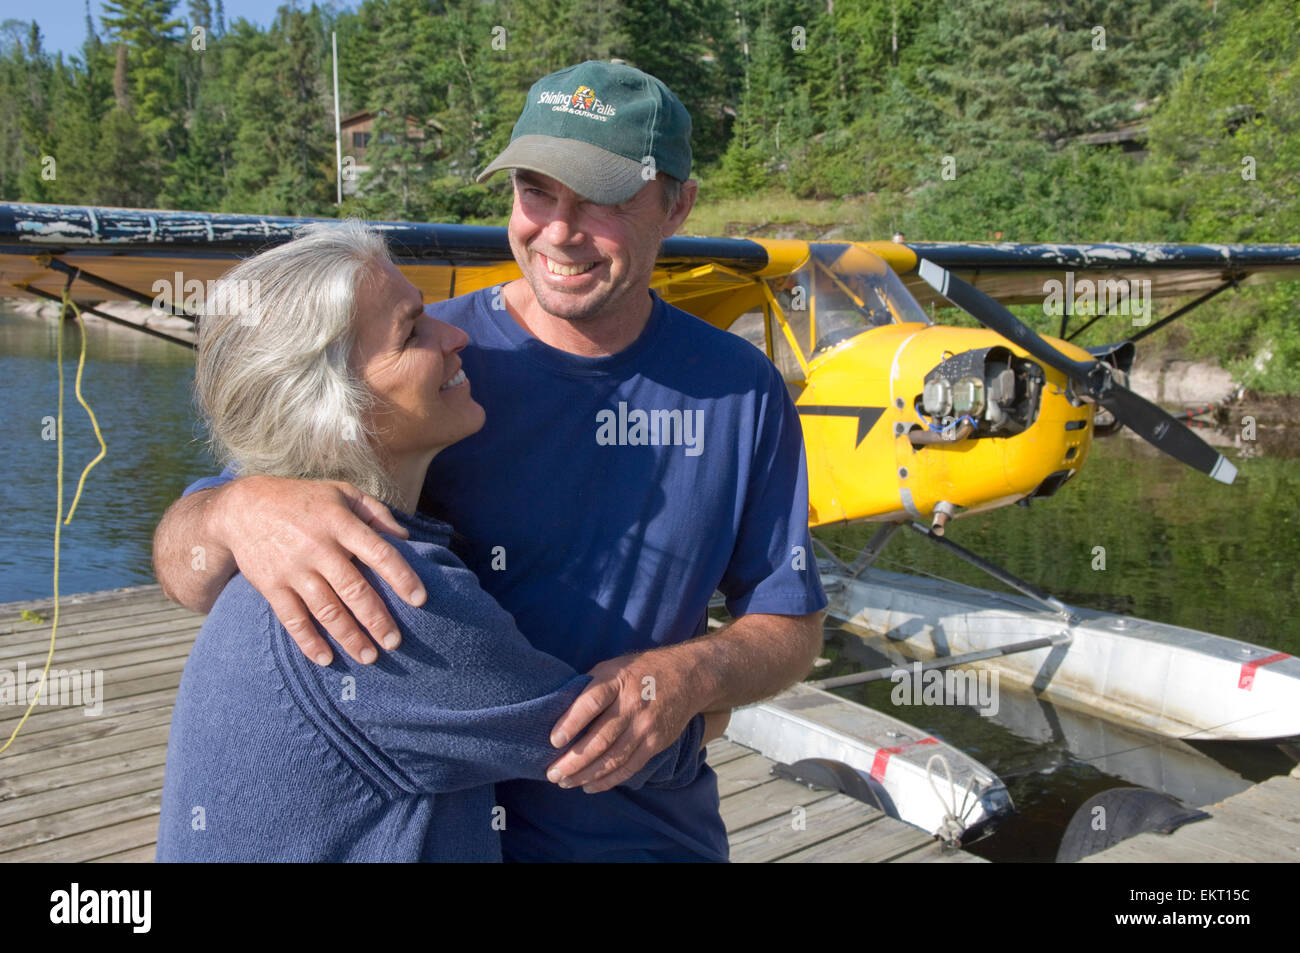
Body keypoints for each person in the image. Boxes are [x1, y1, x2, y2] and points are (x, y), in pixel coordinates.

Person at [153, 60, 827, 862]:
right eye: (535, 190)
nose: (559, 230)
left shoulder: (740, 391)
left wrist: (694, 677)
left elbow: (791, 622)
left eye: (603, 200)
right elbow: (188, 566)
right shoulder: (419, 371)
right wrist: (236, 509)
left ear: (677, 203)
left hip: (651, 838)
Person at [155, 221, 719, 862]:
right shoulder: (385, 599)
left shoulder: (273, 559)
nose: (457, 337)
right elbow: (610, 741)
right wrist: (690, 694)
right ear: (333, 408)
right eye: (412, 332)